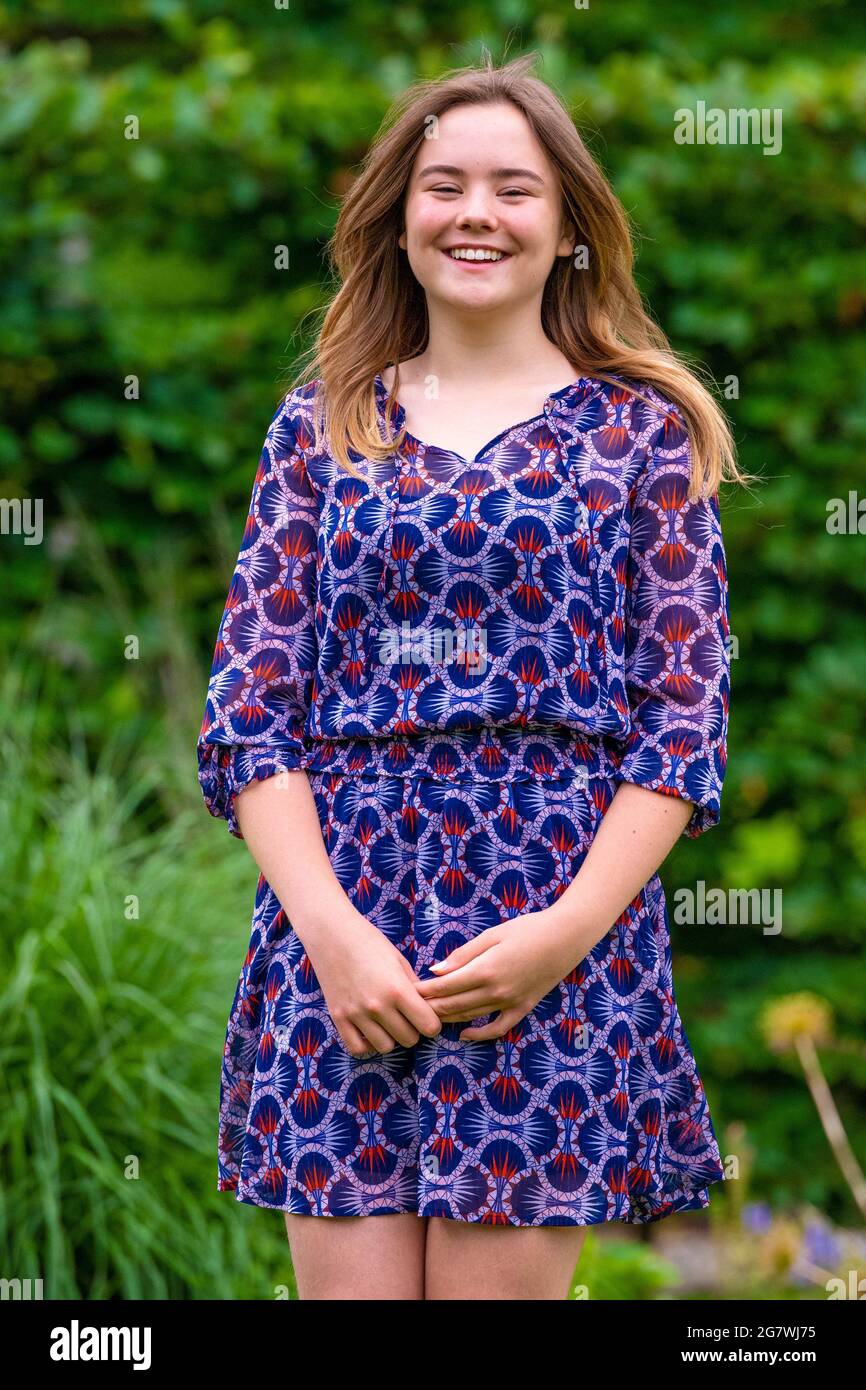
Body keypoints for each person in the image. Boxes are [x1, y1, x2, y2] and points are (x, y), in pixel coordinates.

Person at [196, 53, 749, 1302]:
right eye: (443, 185)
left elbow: (680, 727)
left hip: (544, 944)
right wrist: (328, 935)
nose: (476, 214)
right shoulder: (321, 426)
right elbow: (249, 717)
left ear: (565, 228)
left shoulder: (642, 433)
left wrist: (562, 937)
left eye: (513, 187)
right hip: (342, 940)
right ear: (399, 217)